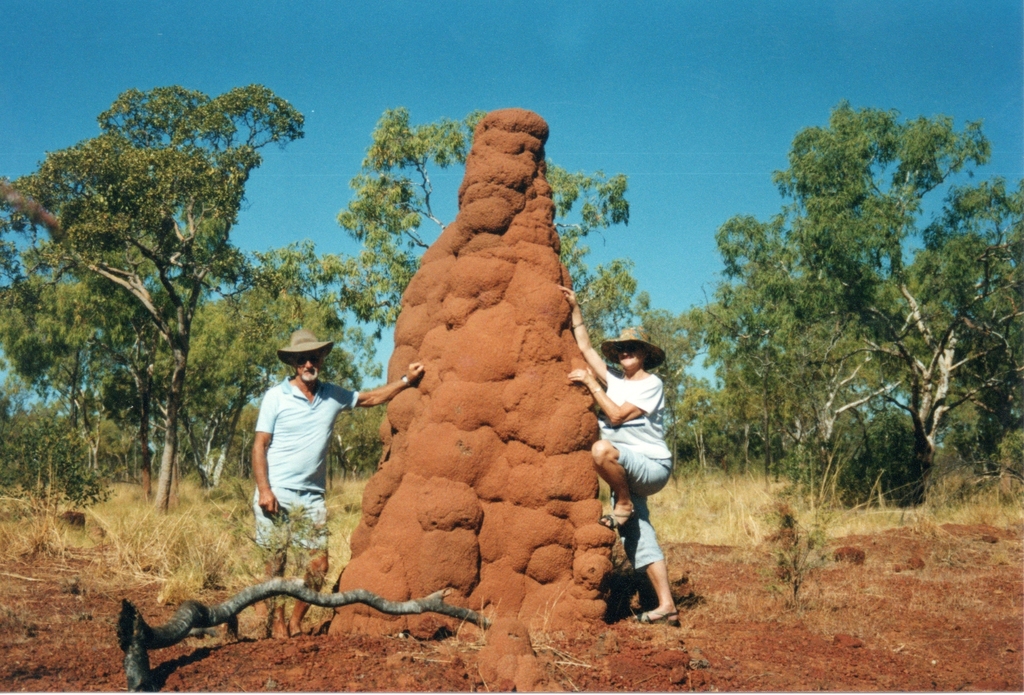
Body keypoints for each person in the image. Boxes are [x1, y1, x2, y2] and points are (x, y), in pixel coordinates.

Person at [252, 328, 424, 638]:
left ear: (321, 360)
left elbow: (370, 398)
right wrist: (264, 489)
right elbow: (259, 445)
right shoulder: (275, 396)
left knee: (319, 566)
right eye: (303, 359)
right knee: (275, 564)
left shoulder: (332, 394)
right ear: (293, 362)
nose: (309, 364)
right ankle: (276, 622)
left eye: (314, 358)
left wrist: (406, 381)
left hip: (313, 496)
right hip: (276, 492)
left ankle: (296, 619)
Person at [560, 287, 679, 626]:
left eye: (633, 348)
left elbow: (614, 416)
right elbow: (584, 346)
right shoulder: (613, 377)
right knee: (638, 537)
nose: (626, 352)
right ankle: (666, 605)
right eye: (622, 348)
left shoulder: (650, 384)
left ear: (645, 354)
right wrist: (576, 309)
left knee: (601, 448)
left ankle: (622, 504)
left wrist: (591, 384)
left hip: (651, 467)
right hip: (626, 471)